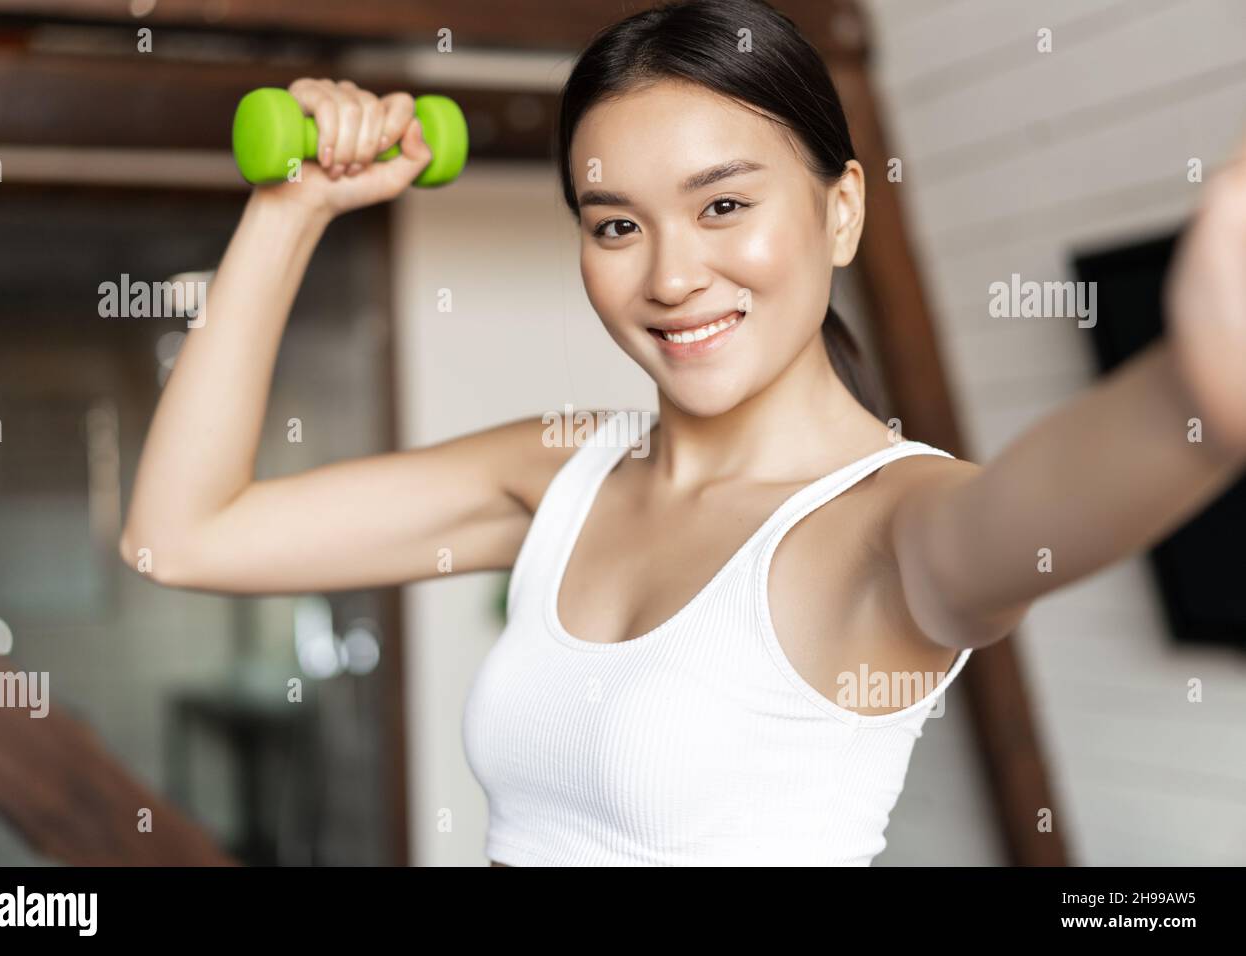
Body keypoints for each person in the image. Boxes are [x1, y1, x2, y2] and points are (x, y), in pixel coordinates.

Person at [120, 0, 1246, 865]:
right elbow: (181, 537)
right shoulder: (560, 466)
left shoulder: (880, 527)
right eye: (616, 223)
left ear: (840, 209)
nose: (668, 275)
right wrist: (290, 209)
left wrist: (1190, 395)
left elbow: (1016, 517)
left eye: (722, 205)